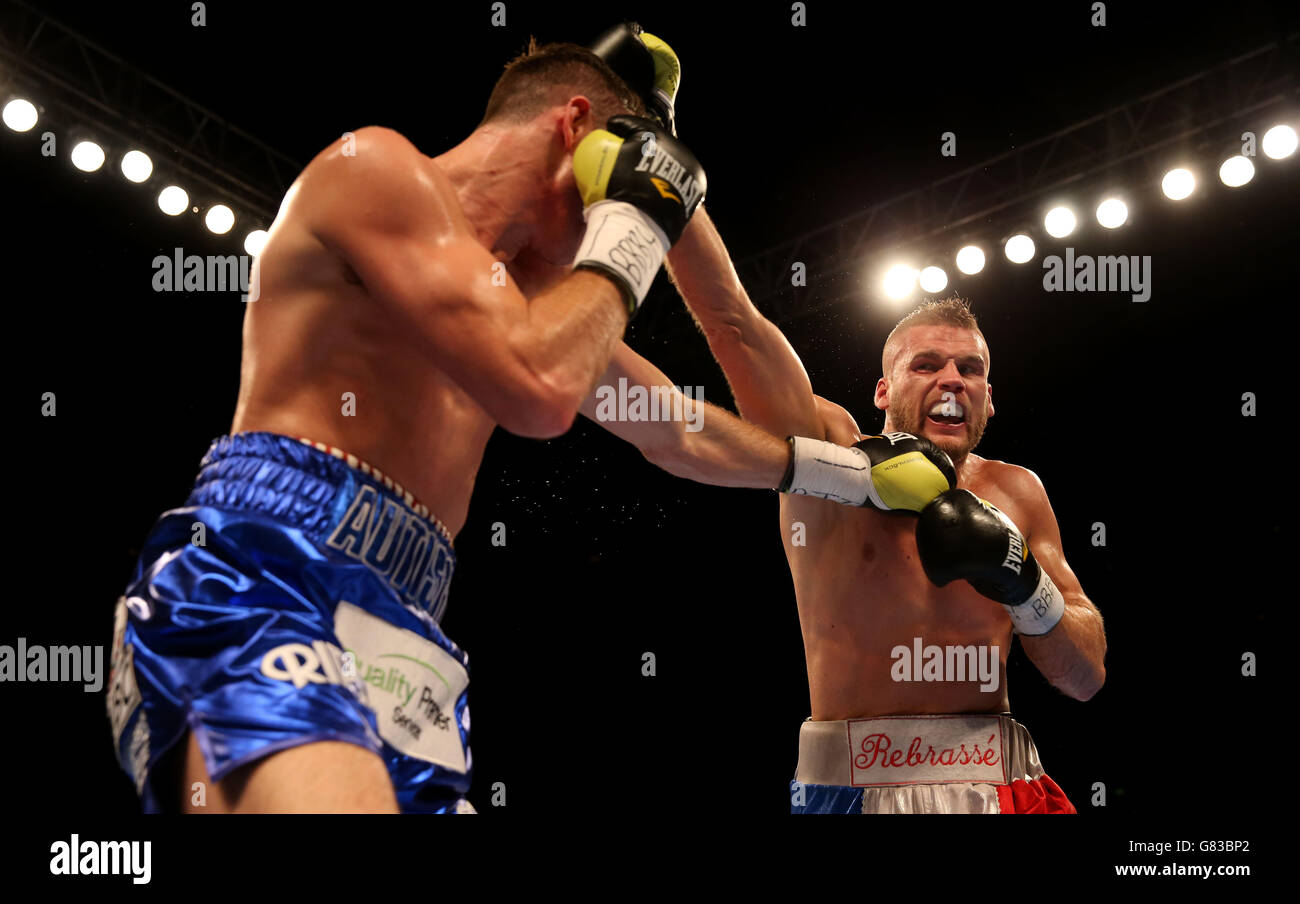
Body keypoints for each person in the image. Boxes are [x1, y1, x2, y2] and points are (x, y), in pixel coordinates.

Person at [663, 211, 1108, 812]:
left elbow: (1084, 678)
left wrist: (1024, 582)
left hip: (1006, 787)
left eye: (970, 369)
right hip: (856, 788)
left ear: (990, 400)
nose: (951, 380)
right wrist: (673, 193)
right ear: (883, 390)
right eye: (926, 364)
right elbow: (736, 325)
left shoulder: (1018, 491)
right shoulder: (830, 456)